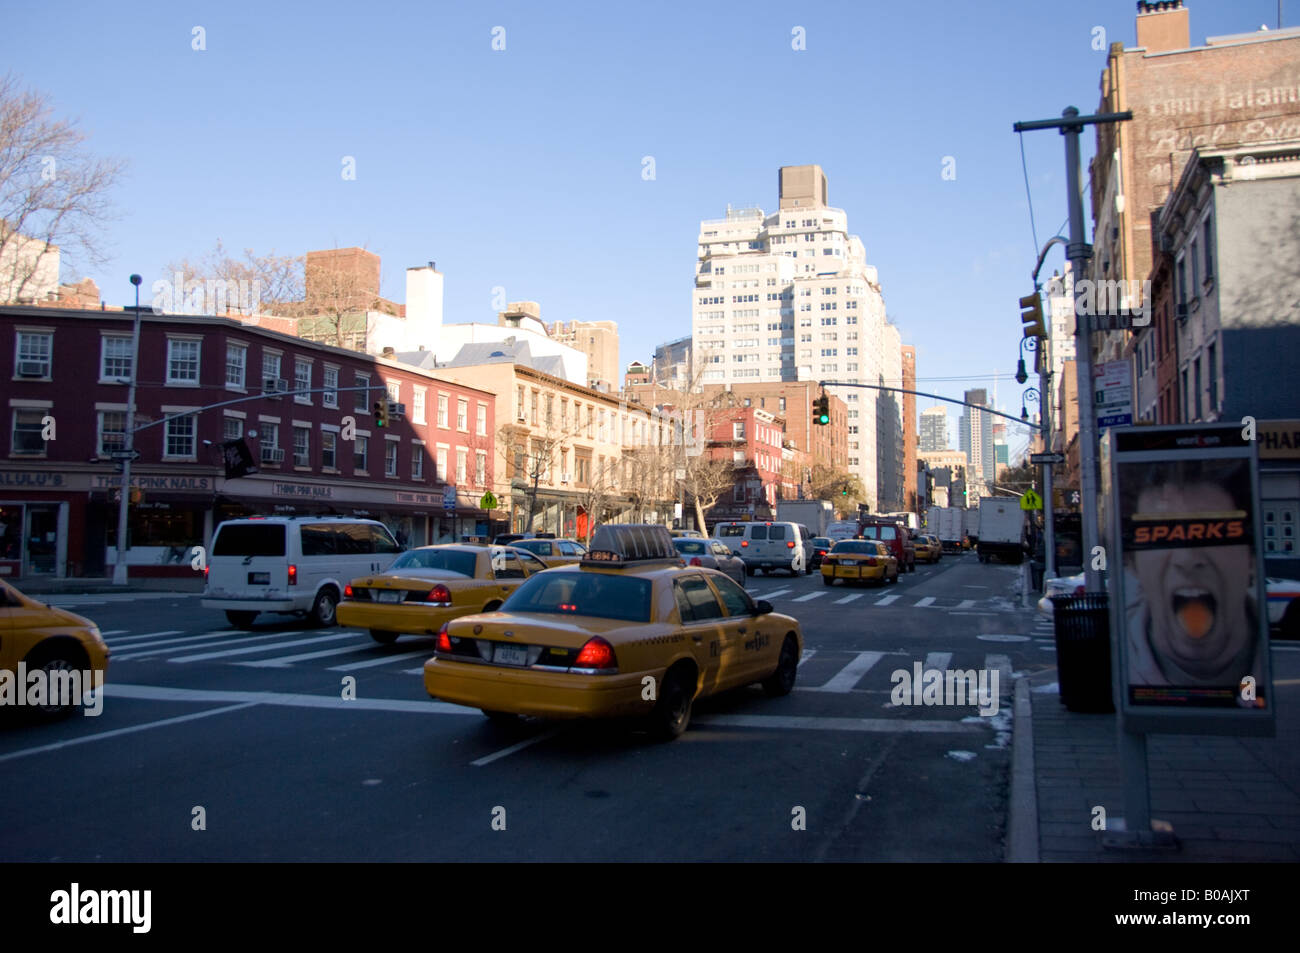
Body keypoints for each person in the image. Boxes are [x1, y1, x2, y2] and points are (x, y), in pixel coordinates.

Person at [1122, 459, 1262, 701]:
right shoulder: (1115, 656)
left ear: (1251, 557)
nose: (1187, 558)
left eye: (1211, 532)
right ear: (1132, 564)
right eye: (1161, 534)